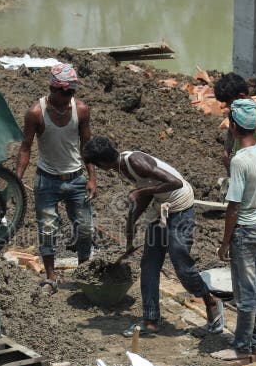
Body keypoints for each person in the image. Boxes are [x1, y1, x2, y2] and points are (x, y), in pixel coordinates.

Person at [81, 136, 223, 336]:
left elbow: (174, 183)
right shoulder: (122, 168)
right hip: (160, 207)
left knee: (179, 258)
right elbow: (145, 194)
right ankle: (150, 320)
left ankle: (210, 301)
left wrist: (139, 193)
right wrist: (131, 224)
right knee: (149, 264)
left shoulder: (135, 161)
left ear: (102, 163)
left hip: (180, 206)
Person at [16, 63, 96, 295]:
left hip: (76, 179)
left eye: (71, 92)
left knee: (85, 228)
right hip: (47, 180)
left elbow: (87, 145)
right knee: (47, 230)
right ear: (53, 88)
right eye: (65, 92)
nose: (68, 96)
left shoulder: (80, 110)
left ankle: (84, 272)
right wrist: (17, 180)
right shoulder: (36, 113)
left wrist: (92, 177)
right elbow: (25, 148)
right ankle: (51, 279)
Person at [213, 99, 256, 361]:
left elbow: (233, 208)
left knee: (246, 294)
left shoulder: (240, 161)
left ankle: (241, 348)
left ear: (236, 126)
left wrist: (225, 242)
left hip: (244, 231)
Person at [213, 72, 256, 220]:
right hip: (243, 173)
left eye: (230, 103)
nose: (228, 107)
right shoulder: (235, 113)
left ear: (241, 97)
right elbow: (230, 134)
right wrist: (226, 153)